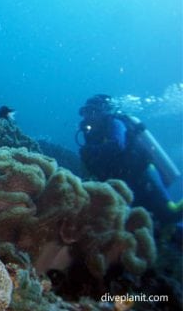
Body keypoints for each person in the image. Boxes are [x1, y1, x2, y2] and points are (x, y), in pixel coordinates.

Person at [76, 94, 182, 225]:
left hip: (143, 173)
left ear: (102, 112)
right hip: (125, 182)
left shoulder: (115, 123)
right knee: (148, 222)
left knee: (169, 212)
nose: (87, 117)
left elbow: (117, 144)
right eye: (85, 112)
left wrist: (92, 150)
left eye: (92, 112)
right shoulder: (91, 136)